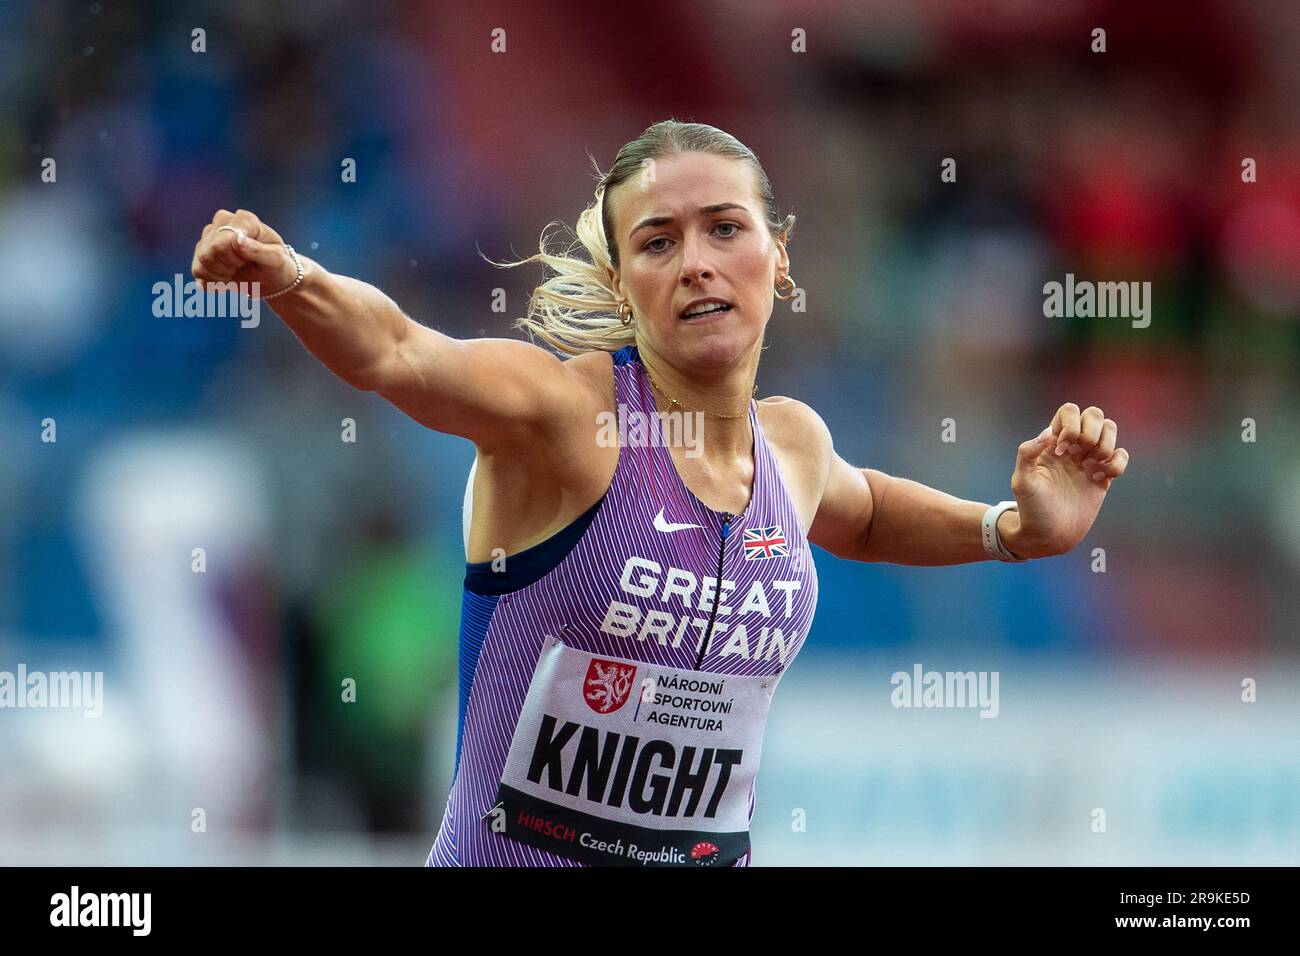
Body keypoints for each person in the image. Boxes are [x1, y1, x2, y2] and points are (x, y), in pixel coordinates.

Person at [190, 120, 1129, 867]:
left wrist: (1012, 530)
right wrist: (292, 277)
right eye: (657, 241)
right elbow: (399, 350)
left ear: (781, 257)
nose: (696, 264)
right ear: (621, 280)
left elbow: (871, 513)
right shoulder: (563, 420)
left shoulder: (793, 446)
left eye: (726, 228)